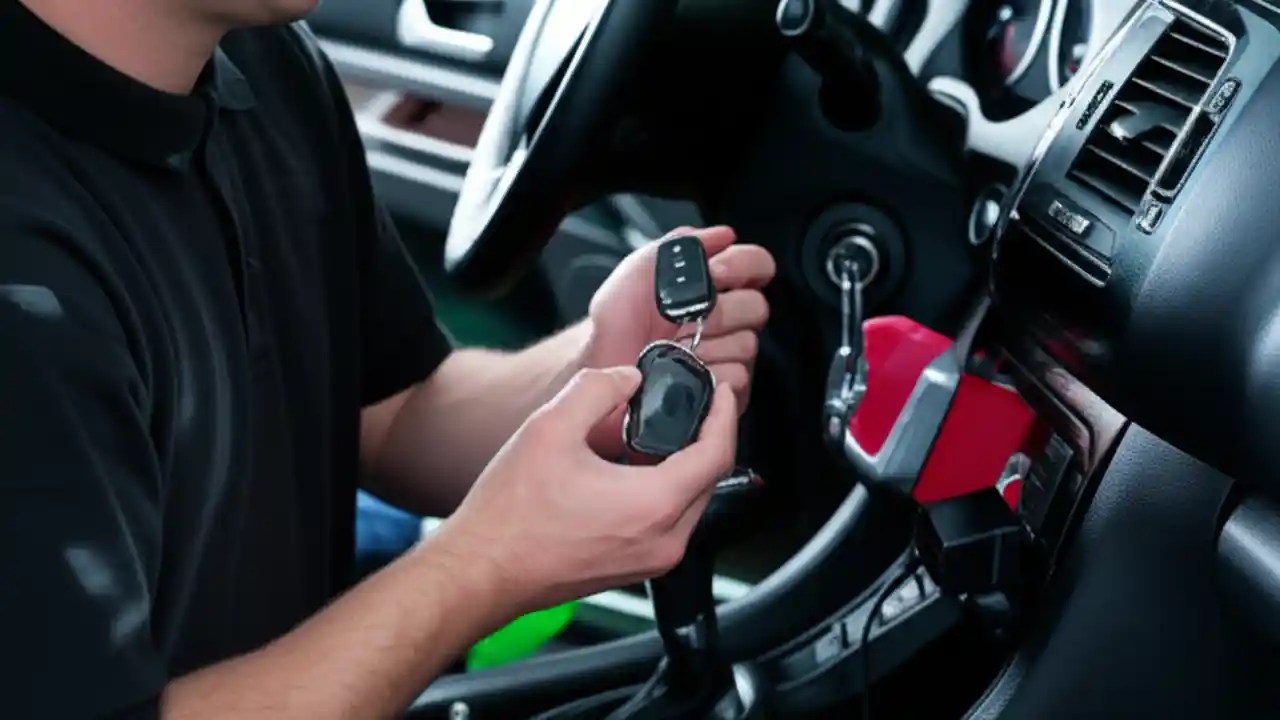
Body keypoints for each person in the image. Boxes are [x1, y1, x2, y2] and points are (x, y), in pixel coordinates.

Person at [0, 0, 777, 717]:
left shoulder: (268, 60)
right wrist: (487, 564)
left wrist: (597, 369)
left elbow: (391, 410)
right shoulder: (25, 266)